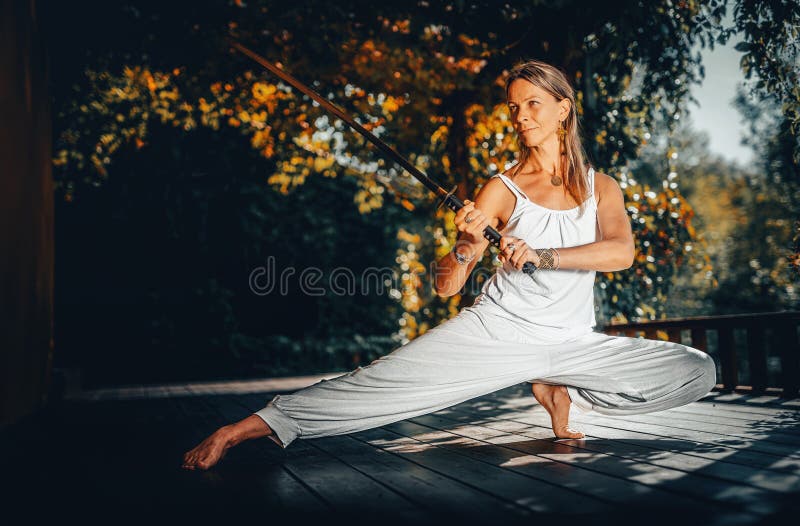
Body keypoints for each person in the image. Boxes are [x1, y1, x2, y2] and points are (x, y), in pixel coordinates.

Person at [182, 60, 717, 471]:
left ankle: (559, 384)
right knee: (375, 384)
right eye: (513, 107)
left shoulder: (601, 188)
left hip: (574, 339)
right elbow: (446, 287)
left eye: (532, 104)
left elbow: (620, 253)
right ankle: (241, 430)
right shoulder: (501, 189)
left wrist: (542, 254)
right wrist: (465, 245)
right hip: (497, 330)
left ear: (563, 109)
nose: (521, 116)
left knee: (697, 371)